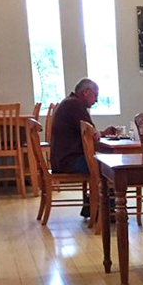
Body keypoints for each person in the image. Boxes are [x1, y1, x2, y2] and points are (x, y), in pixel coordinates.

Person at [50, 78, 116, 217]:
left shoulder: (69, 103)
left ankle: (92, 205)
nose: (96, 100)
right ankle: (106, 209)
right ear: (86, 92)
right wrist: (100, 134)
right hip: (70, 161)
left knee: (103, 164)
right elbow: (92, 135)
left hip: (62, 159)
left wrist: (102, 133)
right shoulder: (75, 105)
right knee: (109, 168)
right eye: (95, 96)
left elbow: (91, 134)